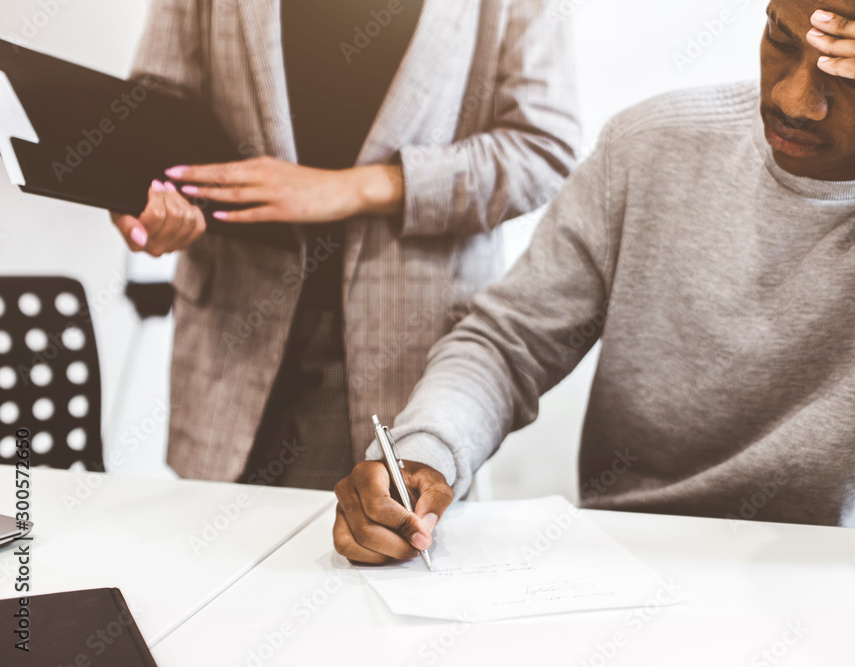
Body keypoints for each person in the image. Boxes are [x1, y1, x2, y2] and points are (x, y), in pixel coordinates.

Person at [333, 0, 855, 563]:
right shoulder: (651, 146)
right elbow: (508, 345)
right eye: (780, 37)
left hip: (848, 595)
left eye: (853, 71)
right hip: (632, 576)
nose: (794, 99)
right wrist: (426, 452)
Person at [109, 0, 580, 489]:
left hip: (407, 340)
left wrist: (352, 188)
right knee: (217, 531)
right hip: (229, 336)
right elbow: (155, 98)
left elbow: (541, 148)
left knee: (370, 527)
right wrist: (140, 186)